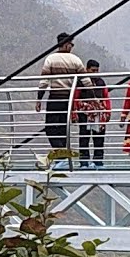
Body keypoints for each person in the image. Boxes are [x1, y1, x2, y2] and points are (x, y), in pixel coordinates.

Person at [35, 33, 86, 167]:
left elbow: (44, 81)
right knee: (63, 128)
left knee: (51, 128)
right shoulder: (75, 60)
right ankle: (62, 157)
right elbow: (86, 80)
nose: (72, 47)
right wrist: (93, 96)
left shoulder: (50, 59)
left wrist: (39, 98)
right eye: (71, 44)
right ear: (66, 44)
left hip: (54, 97)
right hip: (68, 100)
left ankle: (61, 156)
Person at [76, 59, 111, 169]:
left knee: (99, 138)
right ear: (87, 69)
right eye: (93, 70)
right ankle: (84, 163)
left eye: (96, 71)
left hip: (99, 114)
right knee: (84, 138)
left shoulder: (100, 82)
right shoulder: (81, 82)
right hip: (84, 113)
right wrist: (74, 112)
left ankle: (98, 162)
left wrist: (108, 111)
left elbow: (106, 97)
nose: (95, 73)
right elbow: (76, 97)